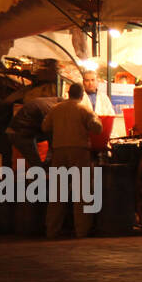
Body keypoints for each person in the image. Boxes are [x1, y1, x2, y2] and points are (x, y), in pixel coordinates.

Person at [41, 84, 100, 239]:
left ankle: (52, 231)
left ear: (68, 94)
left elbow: (45, 127)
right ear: (81, 95)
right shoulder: (84, 109)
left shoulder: (56, 108)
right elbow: (97, 127)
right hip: (79, 151)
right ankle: (82, 231)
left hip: (59, 151)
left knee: (57, 192)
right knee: (82, 192)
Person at [4, 96, 57, 167]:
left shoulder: (51, 102)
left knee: (39, 161)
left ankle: (45, 166)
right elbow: (50, 133)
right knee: (37, 164)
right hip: (21, 133)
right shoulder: (50, 109)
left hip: (24, 131)